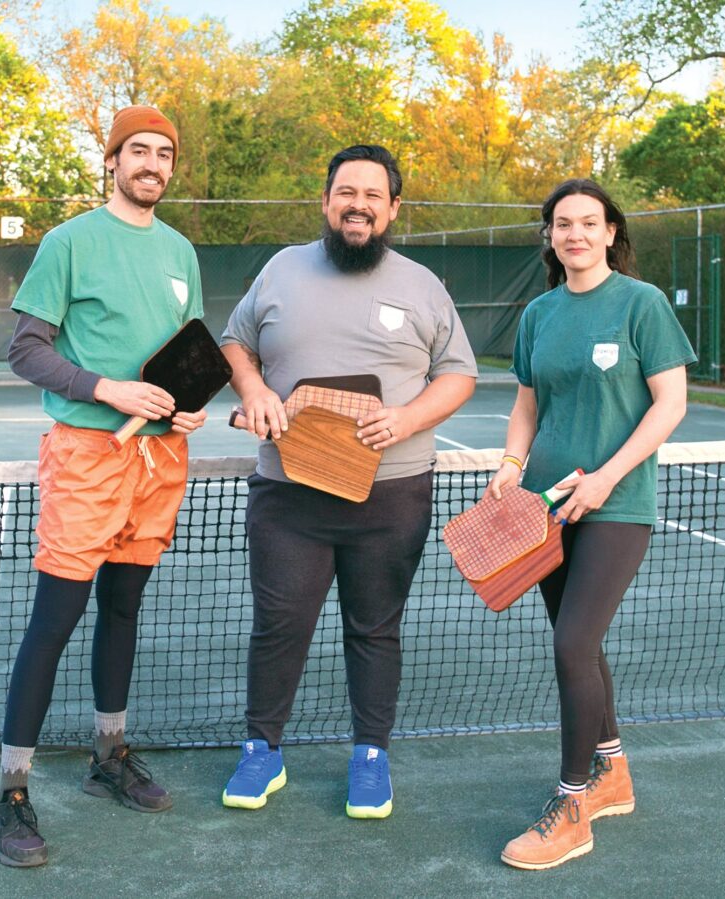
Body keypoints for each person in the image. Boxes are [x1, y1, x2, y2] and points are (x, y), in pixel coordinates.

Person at [218, 144, 478, 819]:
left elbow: (458, 374)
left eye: (372, 194)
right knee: (279, 624)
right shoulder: (278, 269)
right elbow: (235, 343)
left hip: (392, 495)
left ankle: (370, 757)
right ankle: (262, 749)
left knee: (375, 628)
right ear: (326, 201)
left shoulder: (423, 284)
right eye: (345, 192)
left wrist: (406, 417)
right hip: (288, 493)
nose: (357, 204)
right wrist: (253, 387)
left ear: (393, 208)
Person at [0, 106, 207, 868]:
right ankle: (10, 788)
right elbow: (26, 350)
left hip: (161, 459)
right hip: (86, 455)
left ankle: (108, 752)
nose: (152, 163)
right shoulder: (69, 241)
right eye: (138, 150)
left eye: (164, 153)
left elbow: (188, 352)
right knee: (57, 617)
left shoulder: (180, 251)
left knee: (124, 607)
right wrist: (109, 388)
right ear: (113, 161)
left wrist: (186, 401)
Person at [489, 179, 696, 870]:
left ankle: (572, 804)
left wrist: (607, 476)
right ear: (549, 235)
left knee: (574, 642)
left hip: (616, 505)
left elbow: (669, 404)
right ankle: (613, 769)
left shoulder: (643, 305)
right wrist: (512, 464)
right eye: (561, 224)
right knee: (577, 641)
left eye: (588, 222)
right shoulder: (539, 314)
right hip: (546, 506)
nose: (574, 233)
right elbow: (526, 404)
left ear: (611, 232)